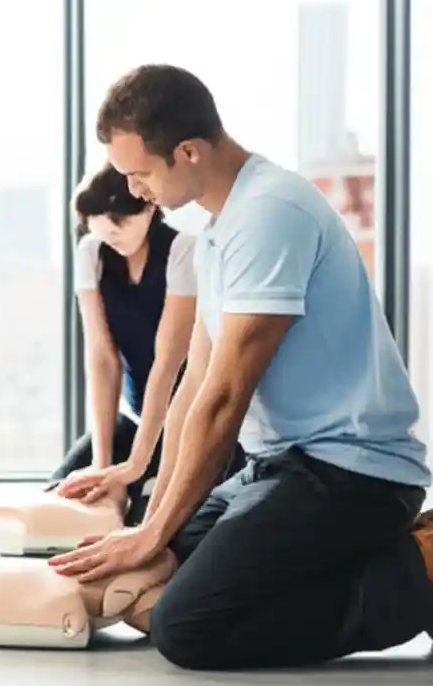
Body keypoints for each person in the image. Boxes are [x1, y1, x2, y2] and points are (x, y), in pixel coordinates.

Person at [49, 64, 433, 671]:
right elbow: (193, 389)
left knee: (184, 627)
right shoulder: (217, 232)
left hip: (352, 474)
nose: (134, 188)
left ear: (188, 151)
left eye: (139, 172)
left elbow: (226, 396)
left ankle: (418, 572)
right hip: (281, 467)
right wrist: (150, 528)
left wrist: (150, 534)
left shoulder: (270, 213)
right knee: (148, 581)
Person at [47, 162, 197, 525]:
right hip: (133, 417)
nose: (110, 232)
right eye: (99, 222)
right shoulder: (92, 251)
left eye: (121, 222)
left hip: (183, 418)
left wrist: (134, 466)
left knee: (153, 516)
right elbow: (102, 358)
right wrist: (102, 465)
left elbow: (168, 363)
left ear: (148, 207)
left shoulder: (183, 252)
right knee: (64, 495)